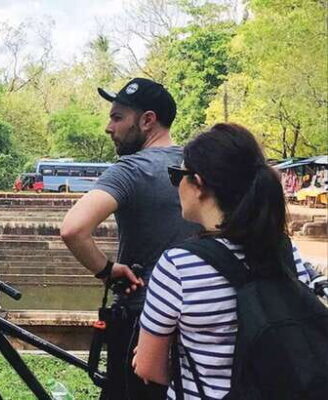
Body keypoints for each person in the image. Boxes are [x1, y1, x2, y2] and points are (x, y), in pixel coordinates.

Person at [133, 123, 315, 399]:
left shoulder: (178, 266)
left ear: (198, 184)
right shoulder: (287, 253)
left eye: (177, 175)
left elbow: (148, 368)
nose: (177, 185)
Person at [60, 77, 199, 400]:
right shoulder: (198, 168)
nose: (108, 127)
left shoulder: (131, 169)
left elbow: (73, 229)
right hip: (199, 320)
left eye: (117, 117)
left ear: (147, 120)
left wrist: (107, 270)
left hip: (141, 320)